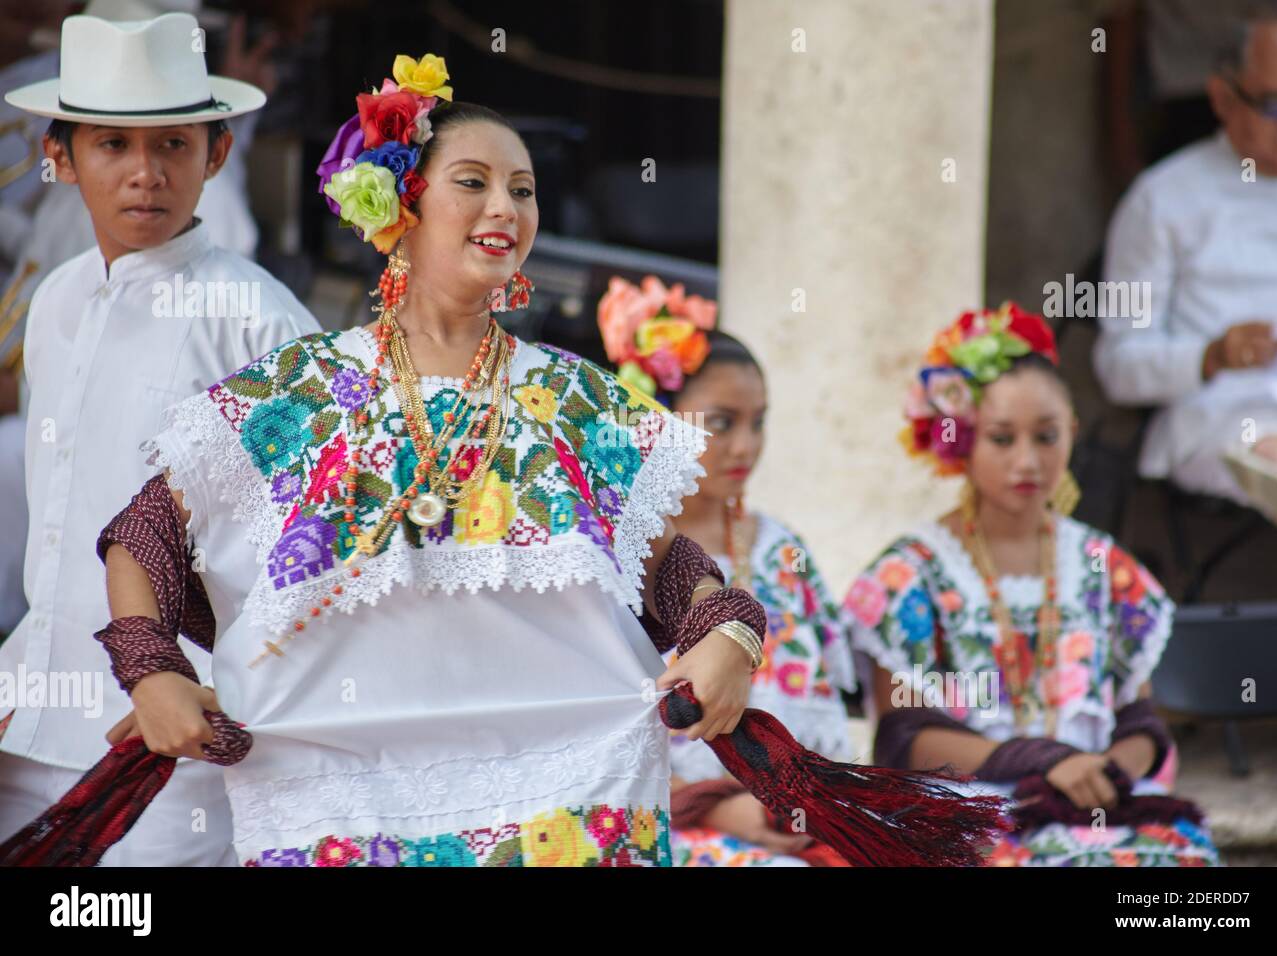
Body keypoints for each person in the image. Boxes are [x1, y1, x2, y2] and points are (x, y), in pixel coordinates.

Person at [86, 50, 768, 868]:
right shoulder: (306, 392)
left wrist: (729, 629)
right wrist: (150, 668)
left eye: (523, 189)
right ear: (401, 201)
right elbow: (147, 534)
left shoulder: (572, 396)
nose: (505, 206)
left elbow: (663, 563)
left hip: (565, 806)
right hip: (343, 804)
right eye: (473, 181)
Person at [0, 11, 319, 865]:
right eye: (112, 145)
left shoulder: (259, 322)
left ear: (216, 155)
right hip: (32, 713)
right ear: (59, 157)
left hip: (177, 739)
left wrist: (224, 691)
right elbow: (58, 530)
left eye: (174, 146)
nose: (146, 174)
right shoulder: (58, 299)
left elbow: (308, 547)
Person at [846, 303, 1219, 866]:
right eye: (1002, 439)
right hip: (970, 804)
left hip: (1091, 799)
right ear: (960, 439)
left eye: (1046, 437)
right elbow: (907, 735)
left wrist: (1107, 770)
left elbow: (1140, 719)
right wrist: (1042, 760)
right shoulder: (908, 574)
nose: (1028, 461)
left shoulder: (1103, 564)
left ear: (1071, 434)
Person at [597, 275, 856, 866]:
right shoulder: (622, 555)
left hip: (801, 818)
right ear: (655, 416)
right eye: (722, 422)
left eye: (758, 422)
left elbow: (832, 708)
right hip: (665, 820)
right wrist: (714, 805)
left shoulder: (782, 549)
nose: (746, 447)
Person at [1093, 8, 1277, 533]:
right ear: (1223, 98)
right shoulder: (1162, 200)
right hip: (1227, 418)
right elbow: (1119, 364)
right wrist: (1211, 356)